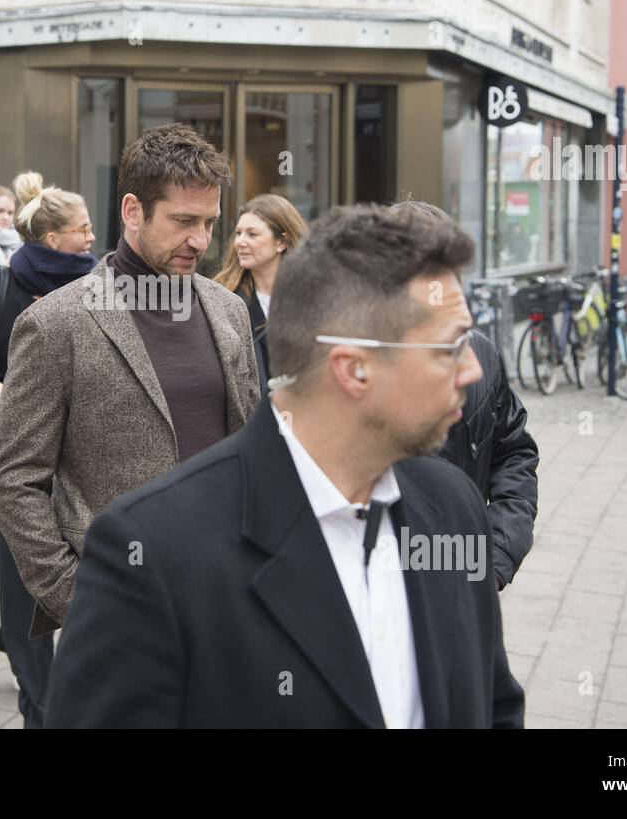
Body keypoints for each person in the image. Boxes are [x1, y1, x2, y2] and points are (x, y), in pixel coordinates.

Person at [45, 203, 524, 728]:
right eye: (449, 347)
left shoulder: (452, 506)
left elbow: (494, 705)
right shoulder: (154, 555)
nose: (473, 369)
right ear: (354, 369)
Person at [0, 123, 260, 638]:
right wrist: (79, 597)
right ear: (133, 211)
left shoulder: (229, 311)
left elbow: (250, 448)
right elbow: (13, 478)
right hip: (121, 613)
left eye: (209, 222)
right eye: (183, 221)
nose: (200, 240)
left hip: (226, 596)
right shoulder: (56, 323)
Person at [0, 173, 96, 728]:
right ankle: (41, 710)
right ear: (52, 237)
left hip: (86, 464)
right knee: (22, 592)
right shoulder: (0, 284)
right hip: (19, 466)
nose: (90, 236)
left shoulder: (105, 287)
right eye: (82, 228)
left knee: (85, 586)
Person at [392, 201, 538, 591]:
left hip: (465, 581)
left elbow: (515, 453)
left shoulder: (480, 354)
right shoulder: (358, 367)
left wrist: (496, 557)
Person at [213, 193, 308, 398]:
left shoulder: (313, 298)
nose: (240, 242)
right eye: (238, 233)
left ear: (281, 242)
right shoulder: (223, 299)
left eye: (252, 234)